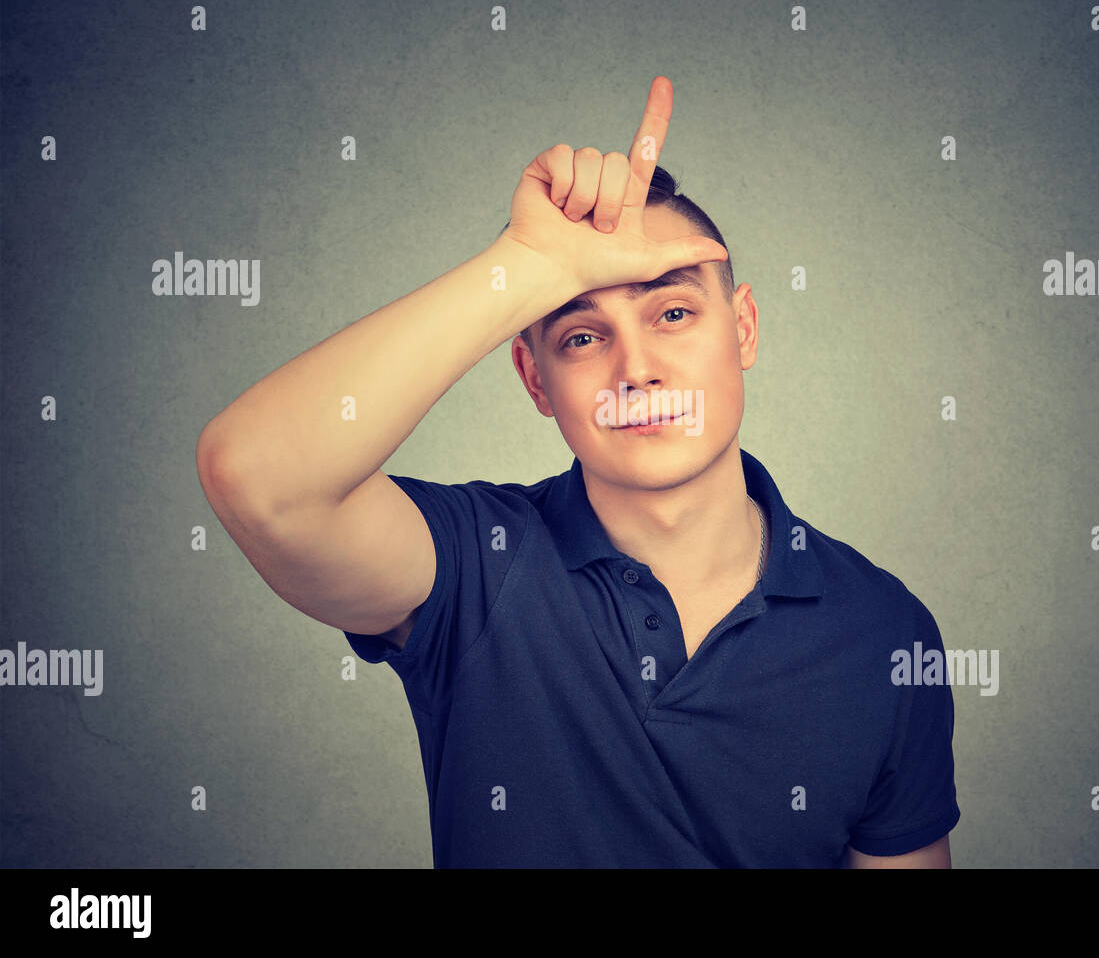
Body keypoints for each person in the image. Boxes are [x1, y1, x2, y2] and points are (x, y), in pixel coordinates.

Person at [195, 75, 960, 868]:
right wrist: (525, 266)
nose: (638, 369)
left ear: (744, 329)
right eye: (584, 337)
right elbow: (256, 476)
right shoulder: (471, 567)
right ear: (535, 380)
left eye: (672, 313)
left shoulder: (885, 630)